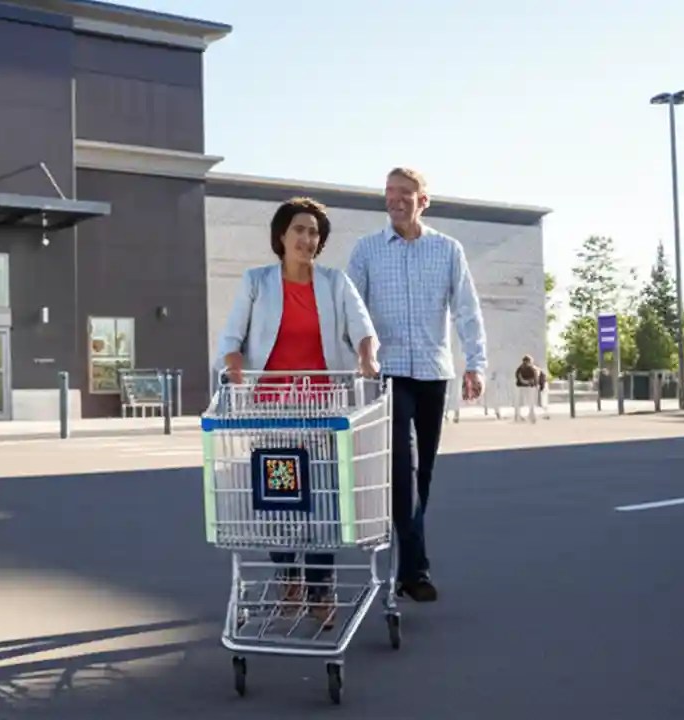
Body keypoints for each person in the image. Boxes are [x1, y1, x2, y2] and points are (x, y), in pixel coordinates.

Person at [214, 196, 380, 627]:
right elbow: (232, 337)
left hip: (324, 410)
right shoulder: (257, 282)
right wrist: (235, 370)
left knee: (323, 504)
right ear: (281, 237)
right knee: (282, 504)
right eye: (299, 230)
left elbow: (363, 330)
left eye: (314, 232)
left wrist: (367, 357)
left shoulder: (335, 282)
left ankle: (321, 590)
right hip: (272, 413)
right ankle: (290, 578)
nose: (307, 239)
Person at [346, 167, 487, 603]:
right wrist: (354, 360)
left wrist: (476, 364)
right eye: (390, 192)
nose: (395, 199)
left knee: (421, 473)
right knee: (404, 469)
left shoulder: (448, 250)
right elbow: (350, 310)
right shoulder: (367, 251)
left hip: (432, 372)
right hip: (387, 375)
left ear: (422, 200)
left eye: (405, 193)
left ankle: (407, 549)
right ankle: (414, 571)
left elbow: (466, 309)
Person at [514, 354, 546, 423]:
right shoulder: (534, 368)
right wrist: (540, 387)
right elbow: (538, 378)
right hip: (531, 387)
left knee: (519, 402)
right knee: (531, 402)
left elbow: (518, 377)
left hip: (521, 386)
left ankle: (518, 416)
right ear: (530, 361)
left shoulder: (520, 368)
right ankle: (531, 415)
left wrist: (525, 382)